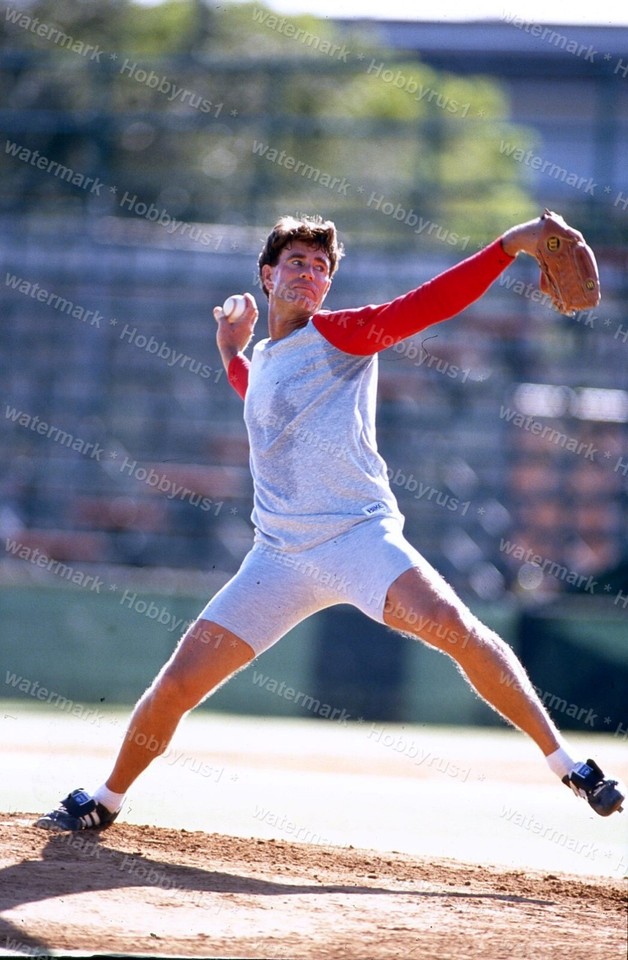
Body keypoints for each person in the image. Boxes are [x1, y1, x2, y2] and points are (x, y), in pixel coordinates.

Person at [36, 213, 624, 832]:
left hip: (359, 539)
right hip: (278, 558)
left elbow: (426, 304)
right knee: (177, 685)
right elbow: (257, 393)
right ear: (268, 276)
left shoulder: (340, 335)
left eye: (321, 267)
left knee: (457, 629)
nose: (310, 273)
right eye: (296, 261)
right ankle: (105, 799)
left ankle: (569, 765)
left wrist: (508, 245)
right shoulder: (264, 359)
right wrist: (231, 349)